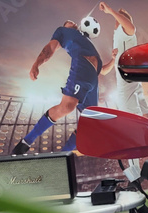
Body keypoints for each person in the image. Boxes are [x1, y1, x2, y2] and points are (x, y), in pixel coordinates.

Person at [12, 18, 101, 155]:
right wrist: (36, 64)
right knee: (67, 107)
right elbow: (49, 49)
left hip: (93, 79)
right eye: (69, 21)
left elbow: (104, 70)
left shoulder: (86, 40)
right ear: (64, 26)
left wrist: (113, 60)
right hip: (82, 67)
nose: (74, 22)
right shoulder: (63, 32)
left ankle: (62, 156)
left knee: (92, 122)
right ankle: (27, 141)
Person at [99, 1, 148, 121]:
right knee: (142, 109)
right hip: (131, 77)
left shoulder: (124, 31)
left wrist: (110, 10)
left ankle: (140, 135)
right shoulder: (119, 35)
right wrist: (115, 59)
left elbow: (132, 28)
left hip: (126, 78)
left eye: (119, 18)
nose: (115, 21)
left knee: (130, 115)